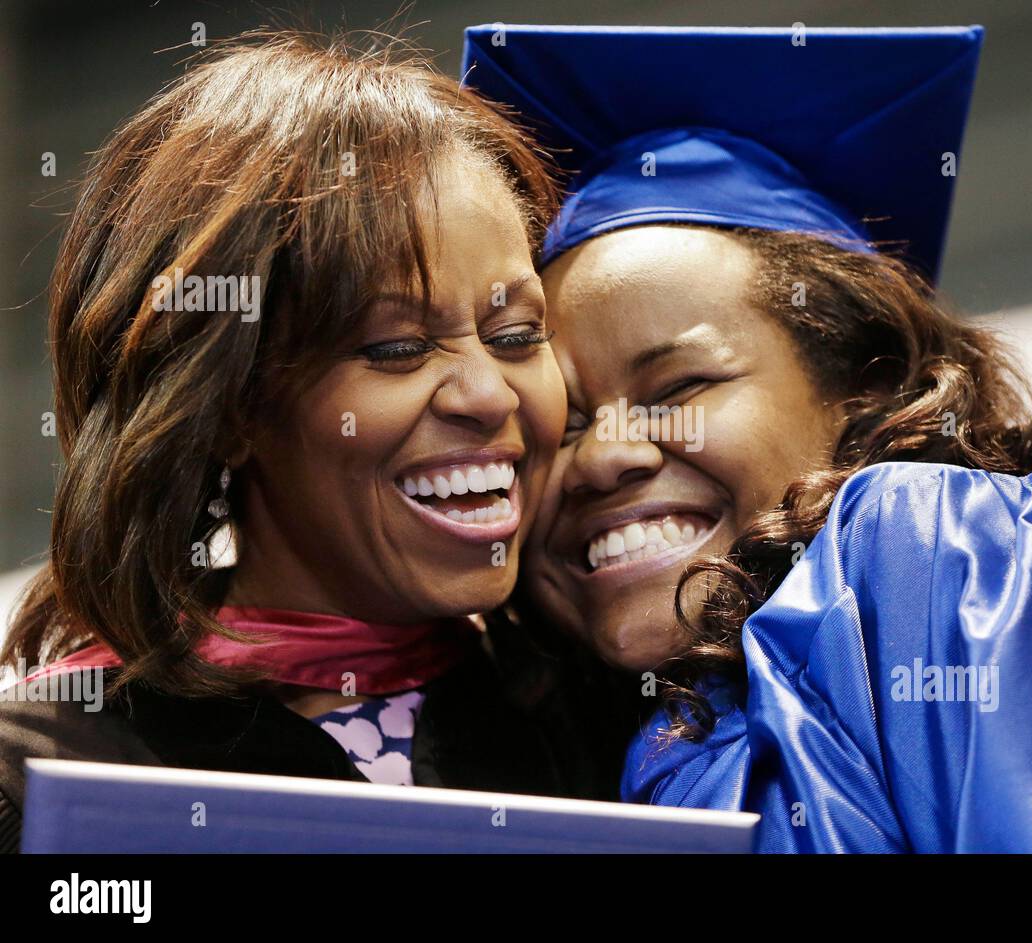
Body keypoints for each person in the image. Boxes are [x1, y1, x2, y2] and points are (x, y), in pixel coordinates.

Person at [465, 24, 1032, 851]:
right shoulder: (584, 734)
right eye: (560, 422)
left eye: (679, 388)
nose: (603, 456)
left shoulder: (929, 545)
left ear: (866, 385)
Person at [0, 31, 613, 855]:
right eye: (396, 348)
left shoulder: (604, 713)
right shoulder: (48, 780)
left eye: (514, 333)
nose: (490, 393)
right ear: (225, 405)